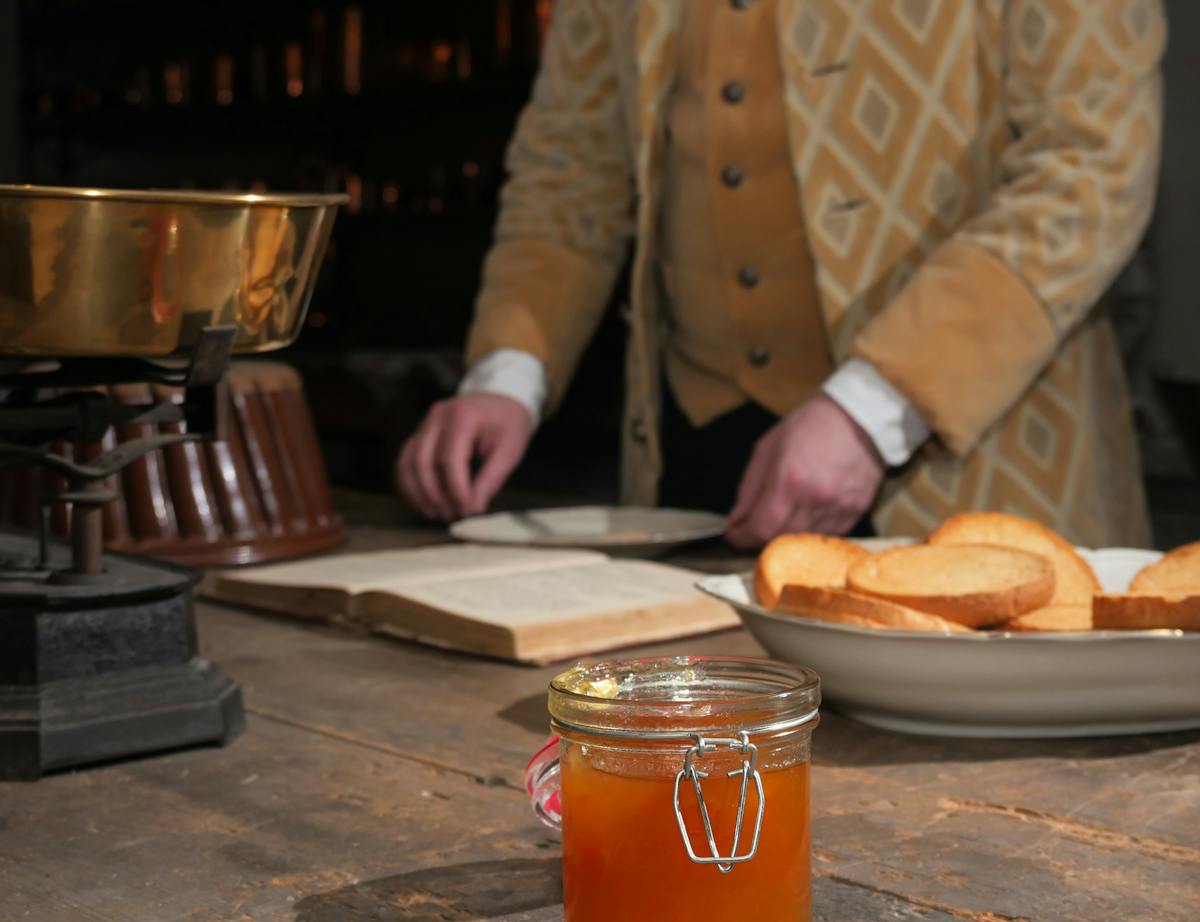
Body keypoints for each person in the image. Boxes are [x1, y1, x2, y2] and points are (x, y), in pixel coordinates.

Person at [397, 0, 1165, 550]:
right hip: (695, 468)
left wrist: (872, 409)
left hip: (976, 472)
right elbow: (571, 166)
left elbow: (1090, 170)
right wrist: (507, 375)